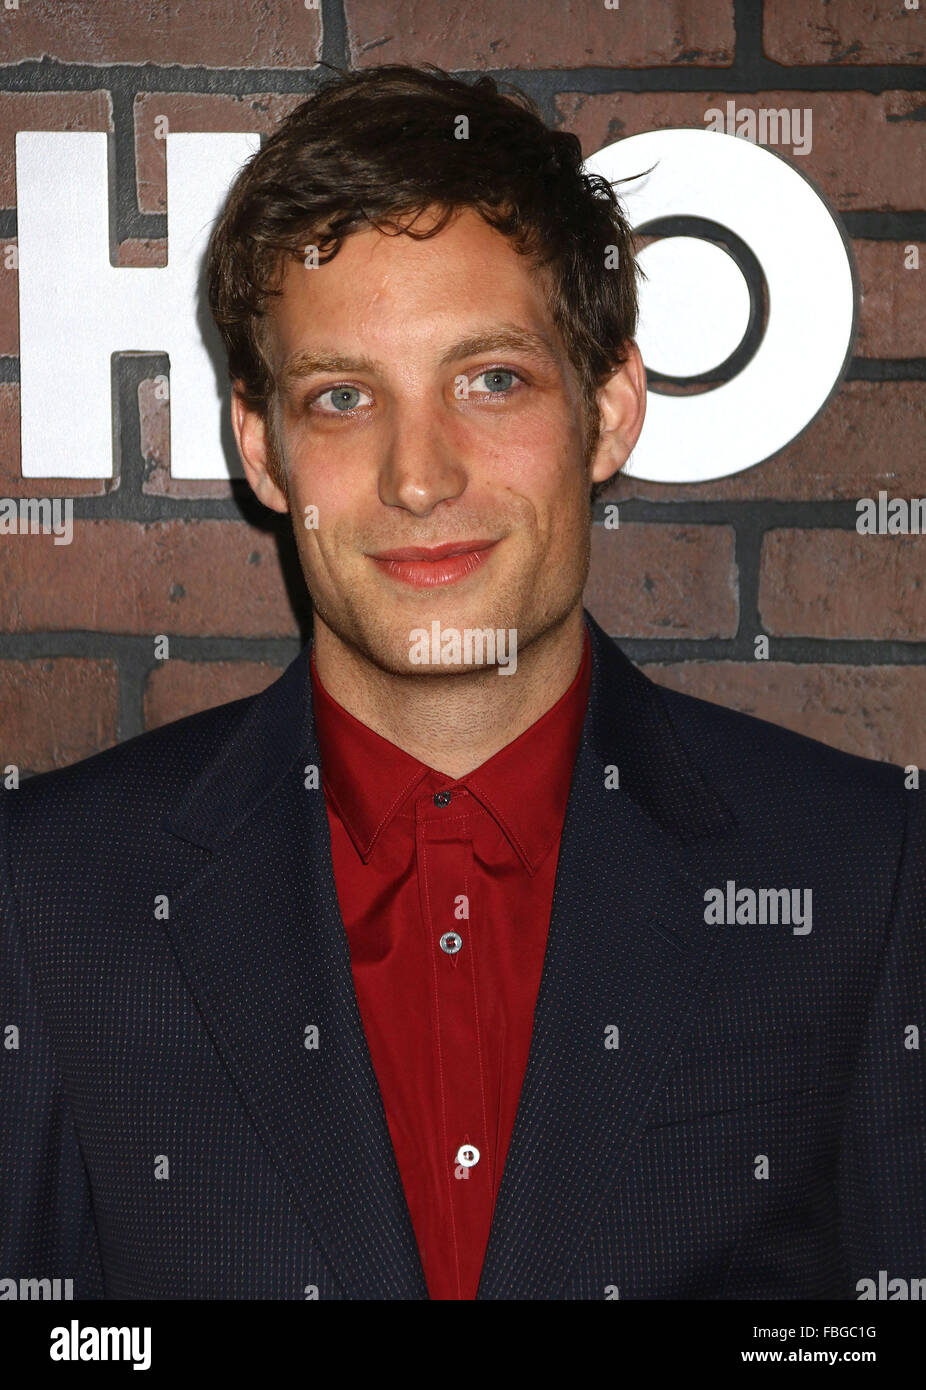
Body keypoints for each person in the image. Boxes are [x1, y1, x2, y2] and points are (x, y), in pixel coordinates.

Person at [1, 63, 923, 1301]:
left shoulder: (859, 875)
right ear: (261, 450)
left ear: (607, 410)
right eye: (342, 397)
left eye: (489, 380)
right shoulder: (50, 895)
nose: (418, 476)